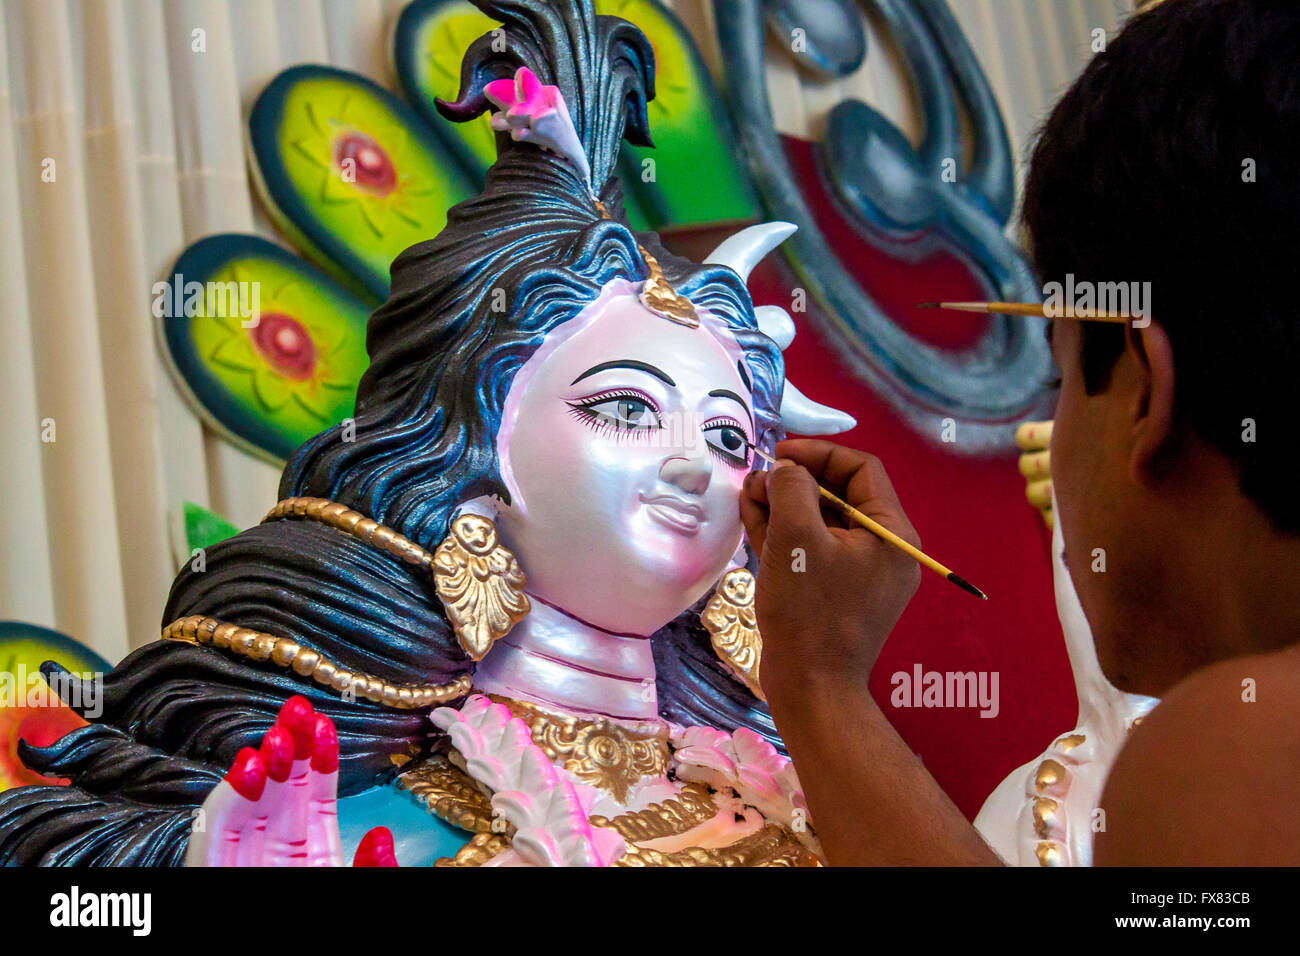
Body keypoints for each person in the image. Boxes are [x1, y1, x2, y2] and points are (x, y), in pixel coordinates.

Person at [739, 0, 1300, 866]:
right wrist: (821, 688)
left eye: (1062, 377)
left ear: (1143, 392)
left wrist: (817, 686)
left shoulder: (1238, 764)